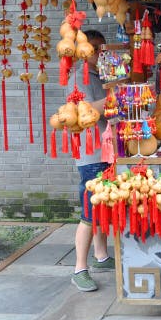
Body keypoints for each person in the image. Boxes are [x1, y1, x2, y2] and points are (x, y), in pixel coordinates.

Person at [71, 29, 114, 292]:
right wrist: (115, 95)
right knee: (89, 212)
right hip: (91, 154)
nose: (100, 53)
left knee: (101, 208)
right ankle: (79, 268)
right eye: (95, 48)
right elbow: (85, 110)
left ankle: (101, 256)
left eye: (102, 48)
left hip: (106, 150)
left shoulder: (101, 75)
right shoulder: (79, 76)